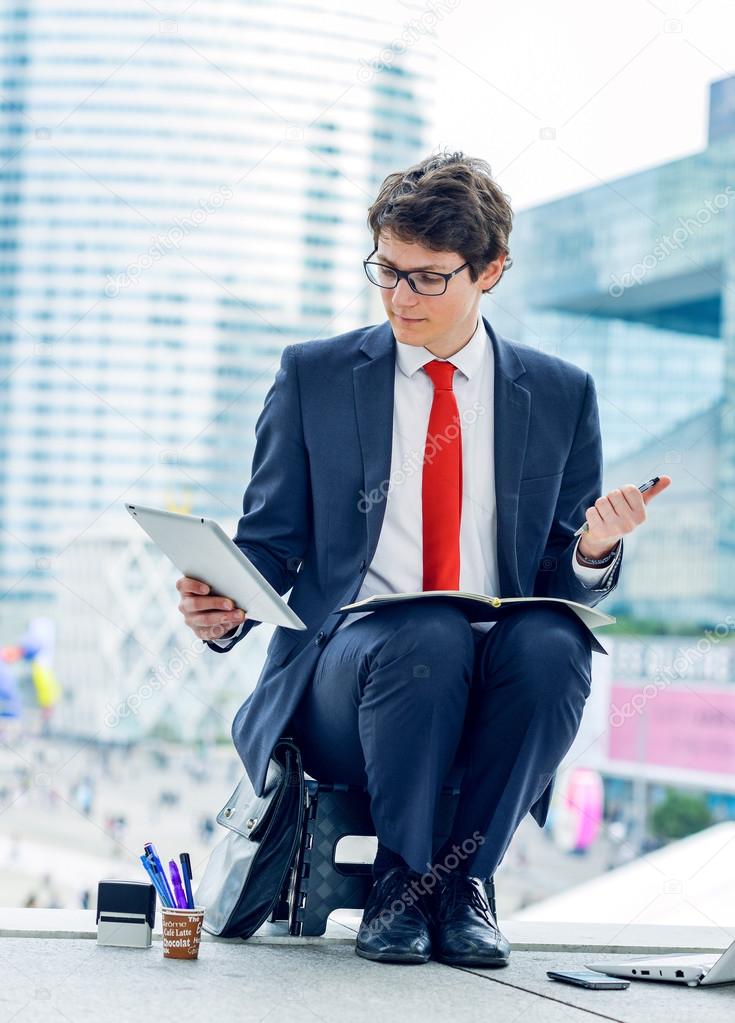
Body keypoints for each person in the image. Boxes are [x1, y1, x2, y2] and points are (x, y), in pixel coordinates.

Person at [177, 151, 670, 967]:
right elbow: (268, 543)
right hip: (349, 673)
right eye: (387, 270)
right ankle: (402, 882)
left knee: (556, 644)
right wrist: (221, 606)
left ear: (492, 270)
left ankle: (460, 882)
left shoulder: (558, 393)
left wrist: (591, 548)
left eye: (428, 277)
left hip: (488, 672)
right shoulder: (316, 376)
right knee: (429, 629)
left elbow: (554, 573)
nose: (401, 296)